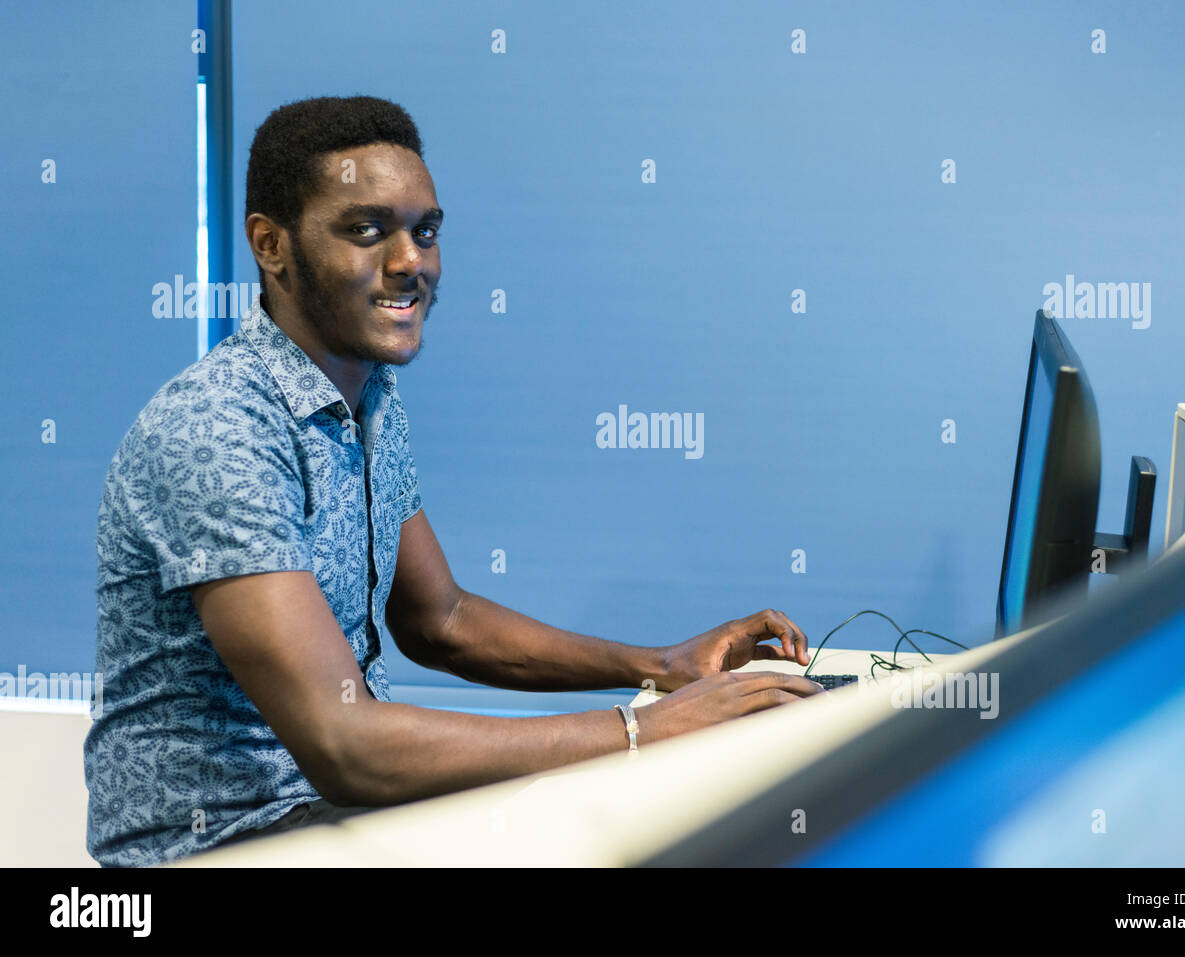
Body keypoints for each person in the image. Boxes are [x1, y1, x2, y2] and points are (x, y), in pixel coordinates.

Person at [84, 95, 823, 867]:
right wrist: (638, 731)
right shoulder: (217, 429)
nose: (411, 261)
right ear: (271, 245)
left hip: (334, 816)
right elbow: (345, 746)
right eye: (367, 230)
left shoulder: (367, 396)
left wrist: (663, 667)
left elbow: (441, 618)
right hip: (222, 847)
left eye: (424, 231)